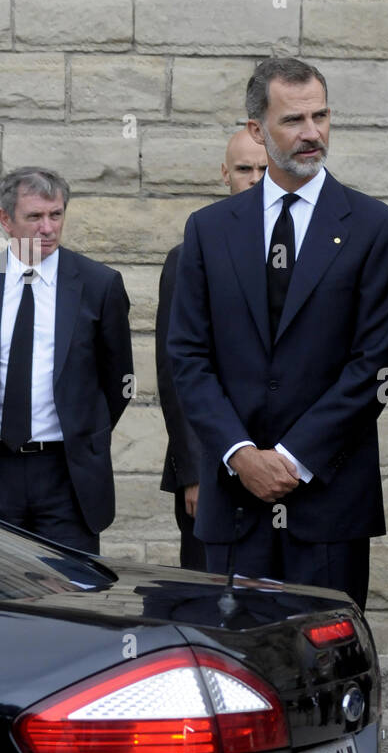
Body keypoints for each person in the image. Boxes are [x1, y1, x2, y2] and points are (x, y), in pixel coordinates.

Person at [167, 57, 388, 605]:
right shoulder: (209, 231)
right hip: (234, 502)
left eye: (320, 116)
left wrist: (293, 459)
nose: (311, 133)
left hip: (329, 502)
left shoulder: (374, 227)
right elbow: (187, 356)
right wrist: (240, 454)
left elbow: (373, 364)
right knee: (237, 672)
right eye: (293, 120)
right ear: (257, 130)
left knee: (326, 671)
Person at [0, 167, 133, 553]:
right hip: (1, 468)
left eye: (55, 215)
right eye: (35, 217)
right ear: (6, 220)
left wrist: (84, 430)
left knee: (73, 594)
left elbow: (118, 380)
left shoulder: (98, 284)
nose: (48, 228)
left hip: (66, 475)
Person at [156, 127, 267, 570]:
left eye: (264, 168)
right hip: (211, 468)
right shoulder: (188, 255)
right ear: (225, 173)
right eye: (244, 169)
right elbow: (176, 370)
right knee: (208, 601)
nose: (255, 178)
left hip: (282, 467)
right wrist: (195, 472)